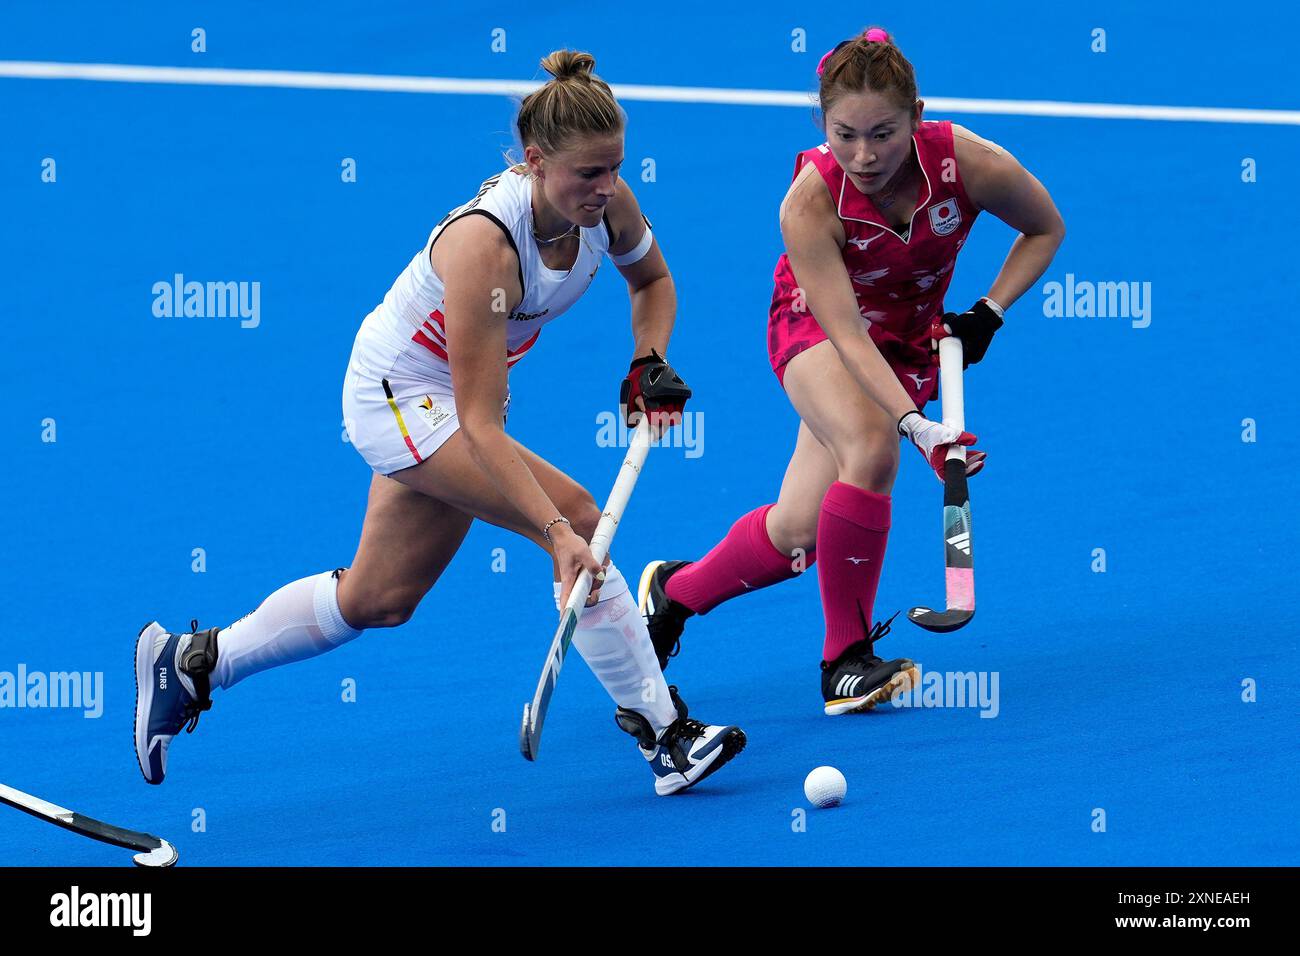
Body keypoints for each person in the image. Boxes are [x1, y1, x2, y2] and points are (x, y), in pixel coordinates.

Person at [134, 50, 746, 796]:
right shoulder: (484, 247)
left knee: (379, 600)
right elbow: (482, 427)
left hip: (452, 402)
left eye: (615, 168)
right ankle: (664, 734)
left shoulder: (605, 205)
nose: (607, 187)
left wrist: (646, 359)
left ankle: (194, 662)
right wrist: (553, 532)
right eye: (589, 173)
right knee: (581, 518)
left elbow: (651, 279)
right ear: (535, 161)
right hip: (394, 396)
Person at [639, 27, 1065, 715]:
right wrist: (917, 426)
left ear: (917, 118)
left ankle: (673, 596)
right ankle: (845, 661)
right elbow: (845, 335)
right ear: (821, 124)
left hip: (905, 341)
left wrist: (988, 312)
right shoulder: (809, 204)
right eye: (845, 135)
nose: (864, 155)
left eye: (883, 134)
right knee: (870, 446)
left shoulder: (967, 164)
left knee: (798, 532)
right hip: (817, 328)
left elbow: (1045, 228)